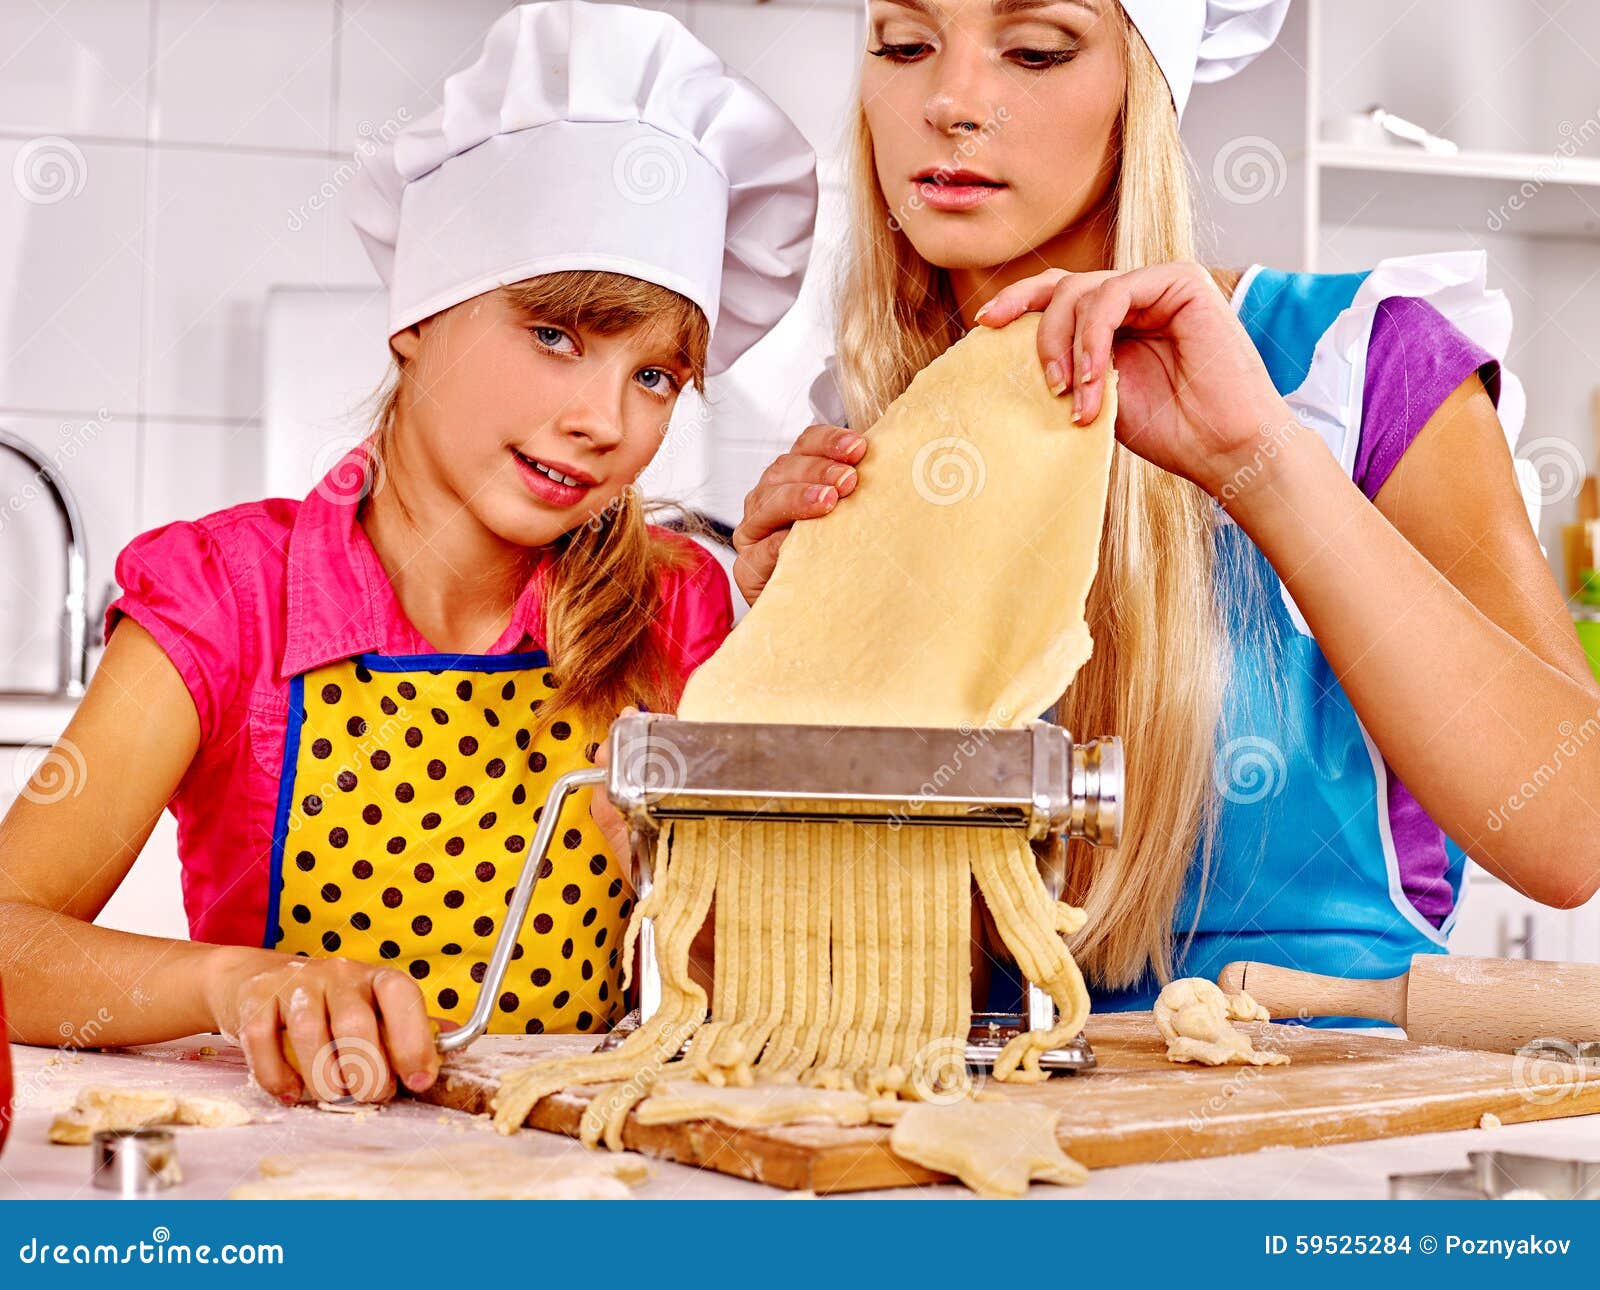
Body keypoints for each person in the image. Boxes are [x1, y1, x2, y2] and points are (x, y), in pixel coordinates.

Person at [0, 1, 815, 1100]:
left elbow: (755, 989)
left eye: (655, 375)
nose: (604, 420)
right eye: (555, 335)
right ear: (417, 316)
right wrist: (238, 985)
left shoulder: (676, 610)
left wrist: (769, 722)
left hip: (580, 1188)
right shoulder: (225, 596)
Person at [732, 0, 1600, 1012]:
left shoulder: (1360, 363)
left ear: (1140, 91)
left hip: (1327, 1128)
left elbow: (1569, 833)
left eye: (1036, 50)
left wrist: (1256, 462)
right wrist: (795, 681)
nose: (951, 102)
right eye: (903, 46)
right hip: (1003, 1120)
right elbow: (863, 957)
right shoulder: (871, 439)